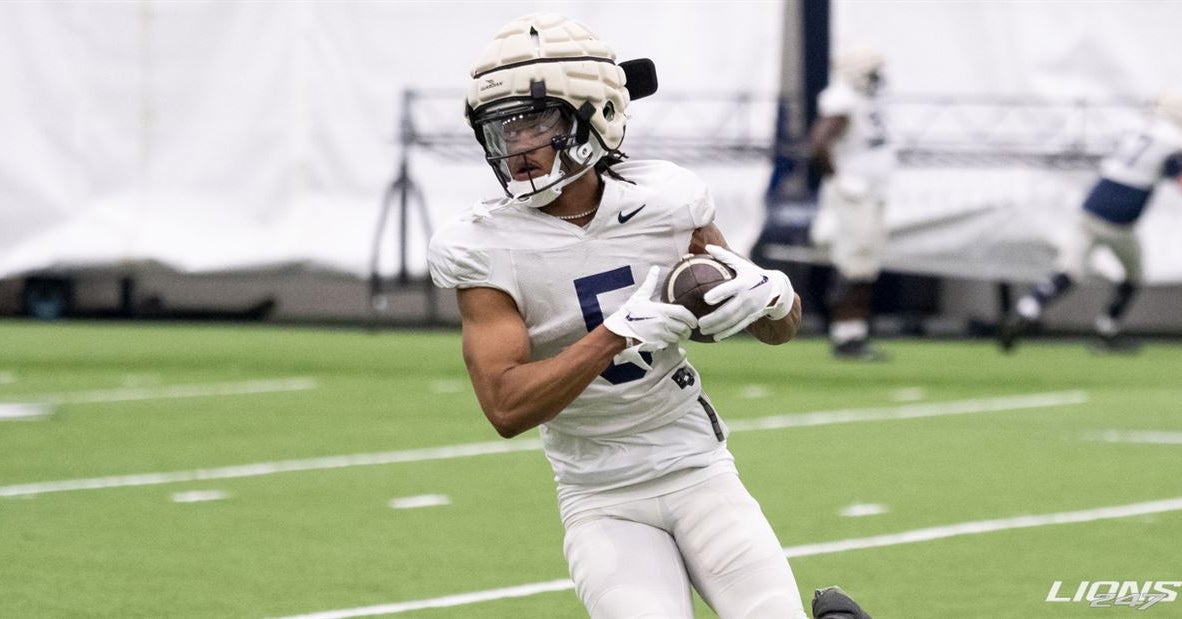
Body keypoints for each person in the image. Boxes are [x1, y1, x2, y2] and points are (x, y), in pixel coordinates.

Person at [428, 13, 871, 619]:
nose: (517, 147)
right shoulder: (480, 243)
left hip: (698, 468)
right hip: (599, 495)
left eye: (535, 121)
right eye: (500, 129)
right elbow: (506, 407)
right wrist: (616, 334)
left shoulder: (665, 199)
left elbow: (779, 327)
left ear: (596, 114)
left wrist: (770, 293)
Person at [999, 93, 1182, 353]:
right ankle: (1106, 329)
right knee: (1134, 275)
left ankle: (1026, 308)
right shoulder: (1172, 141)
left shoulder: (1140, 129)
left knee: (1068, 270)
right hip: (1118, 221)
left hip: (1091, 207)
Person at [807, 47, 894, 361]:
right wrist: (837, 178)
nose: (877, 77)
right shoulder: (841, 98)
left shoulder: (864, 97)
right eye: (872, 70)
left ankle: (854, 333)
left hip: (870, 191)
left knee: (865, 265)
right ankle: (844, 334)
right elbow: (818, 142)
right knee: (852, 263)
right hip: (853, 192)